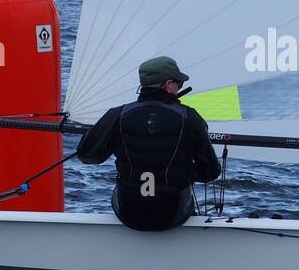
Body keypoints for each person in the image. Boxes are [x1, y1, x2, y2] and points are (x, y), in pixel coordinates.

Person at [76, 56, 221, 232]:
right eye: (178, 84)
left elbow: (87, 155)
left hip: (129, 214)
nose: (179, 88)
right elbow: (211, 172)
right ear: (168, 85)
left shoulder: (118, 114)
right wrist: (187, 173)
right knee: (178, 191)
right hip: (173, 215)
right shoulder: (189, 117)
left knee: (126, 186)